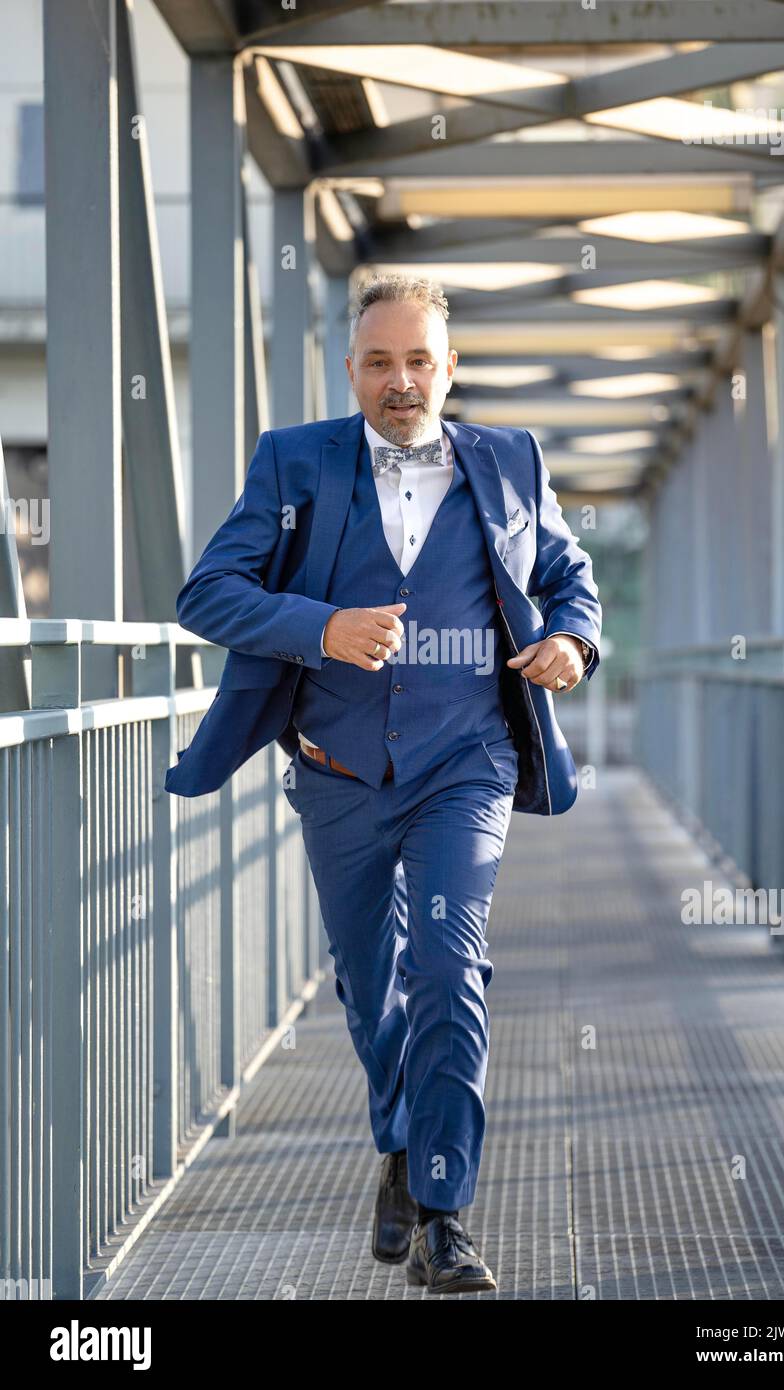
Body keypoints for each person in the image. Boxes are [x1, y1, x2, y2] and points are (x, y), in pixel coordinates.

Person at [165, 274, 602, 1294]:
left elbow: (565, 577)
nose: (400, 382)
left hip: (466, 763)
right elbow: (207, 592)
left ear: (450, 369)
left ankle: (444, 1212)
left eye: (418, 361)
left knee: (447, 968)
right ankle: (400, 1147)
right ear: (352, 368)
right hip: (337, 772)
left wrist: (574, 638)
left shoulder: (507, 460)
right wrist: (318, 627)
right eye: (378, 362)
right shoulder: (296, 463)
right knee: (370, 987)